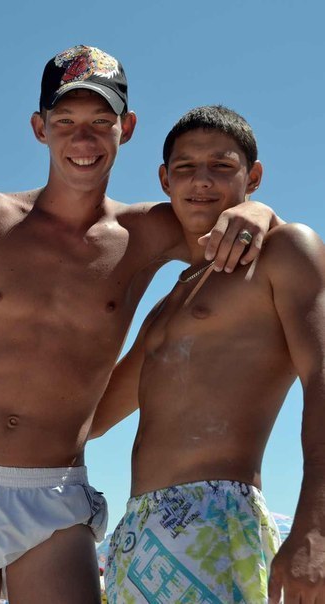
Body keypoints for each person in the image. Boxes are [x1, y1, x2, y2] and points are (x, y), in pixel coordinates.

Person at [0, 44, 280, 604]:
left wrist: (257, 210)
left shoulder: (146, 232)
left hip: (54, 492)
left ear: (126, 128)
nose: (83, 140)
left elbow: (224, 228)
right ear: (40, 128)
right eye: (65, 121)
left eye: (100, 122)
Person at [91, 106, 325, 604]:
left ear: (252, 177)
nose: (202, 180)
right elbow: (93, 417)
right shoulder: (169, 302)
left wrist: (317, 523)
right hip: (137, 530)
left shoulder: (285, 249)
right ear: (165, 180)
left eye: (221, 166)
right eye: (185, 167)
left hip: (217, 518)